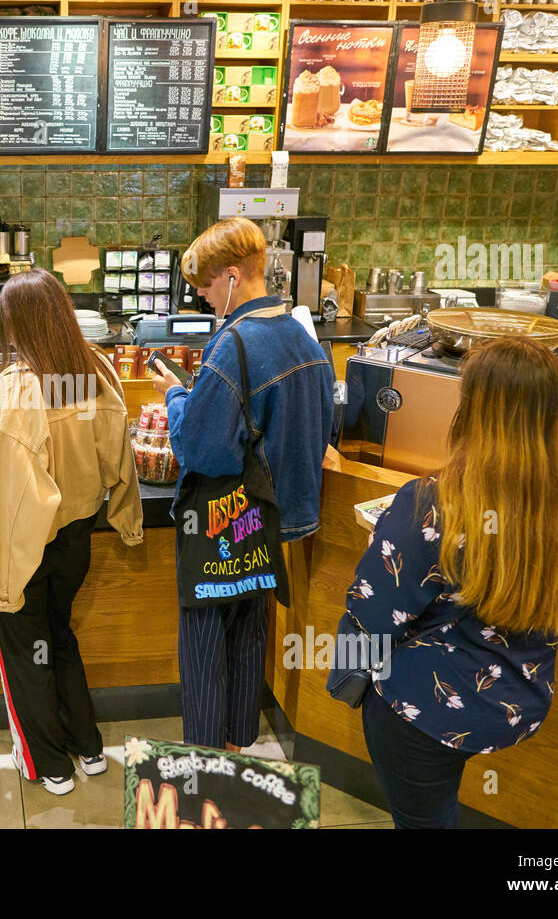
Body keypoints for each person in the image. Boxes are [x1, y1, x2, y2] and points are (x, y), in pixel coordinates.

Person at [336, 336, 558, 829]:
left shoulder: (433, 503)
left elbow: (371, 612)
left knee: (425, 820)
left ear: (475, 410)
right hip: (517, 703)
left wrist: (355, 684)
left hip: (427, 708)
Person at [150, 217, 334, 752]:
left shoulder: (234, 344)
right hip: (278, 519)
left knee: (206, 643)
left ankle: (206, 765)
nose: (204, 299)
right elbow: (321, 425)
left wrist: (178, 396)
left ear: (231, 276)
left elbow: (202, 449)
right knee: (250, 635)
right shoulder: (301, 333)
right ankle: (237, 746)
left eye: (205, 287)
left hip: (226, 523)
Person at [0, 269, 143, 795]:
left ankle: (48, 764)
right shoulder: (93, 370)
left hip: (27, 543)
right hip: (76, 537)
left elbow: (23, 500)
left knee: (25, 647)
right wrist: (128, 520)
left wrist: (10, 582)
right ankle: (86, 747)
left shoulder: (18, 389)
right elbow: (120, 456)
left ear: (15, 325)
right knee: (58, 635)